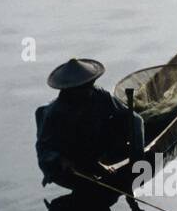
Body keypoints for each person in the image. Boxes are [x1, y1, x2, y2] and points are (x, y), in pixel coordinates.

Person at [35, 58, 144, 201]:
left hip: (92, 148)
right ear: (69, 90)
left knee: (123, 122)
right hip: (67, 157)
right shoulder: (55, 113)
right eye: (83, 87)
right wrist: (60, 160)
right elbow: (44, 149)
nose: (89, 89)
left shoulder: (99, 95)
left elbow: (135, 120)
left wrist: (137, 158)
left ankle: (97, 166)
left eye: (89, 85)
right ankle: (90, 170)